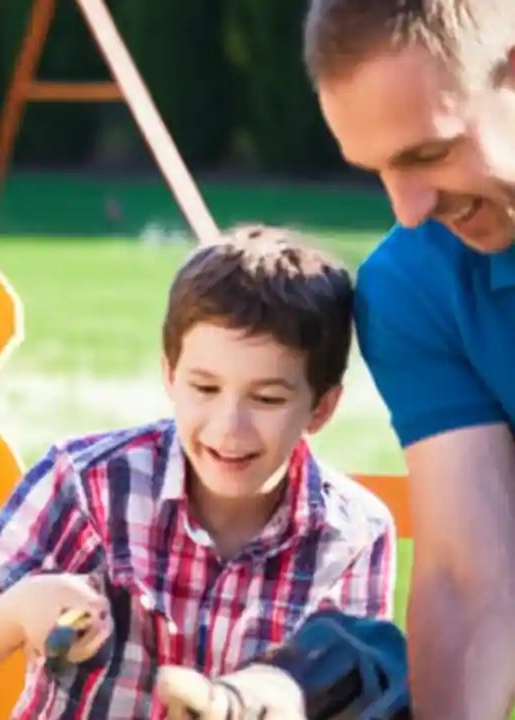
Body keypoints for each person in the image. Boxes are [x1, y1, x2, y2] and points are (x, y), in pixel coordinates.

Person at [157, 2, 515, 718]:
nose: (408, 207)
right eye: (379, 169)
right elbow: (469, 580)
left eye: (429, 152)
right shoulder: (413, 285)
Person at [0, 225, 398, 718]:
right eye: (205, 388)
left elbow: (353, 696)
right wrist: (22, 608)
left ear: (321, 408)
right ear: (170, 375)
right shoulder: (88, 483)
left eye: (267, 398)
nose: (228, 427)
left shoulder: (355, 534)